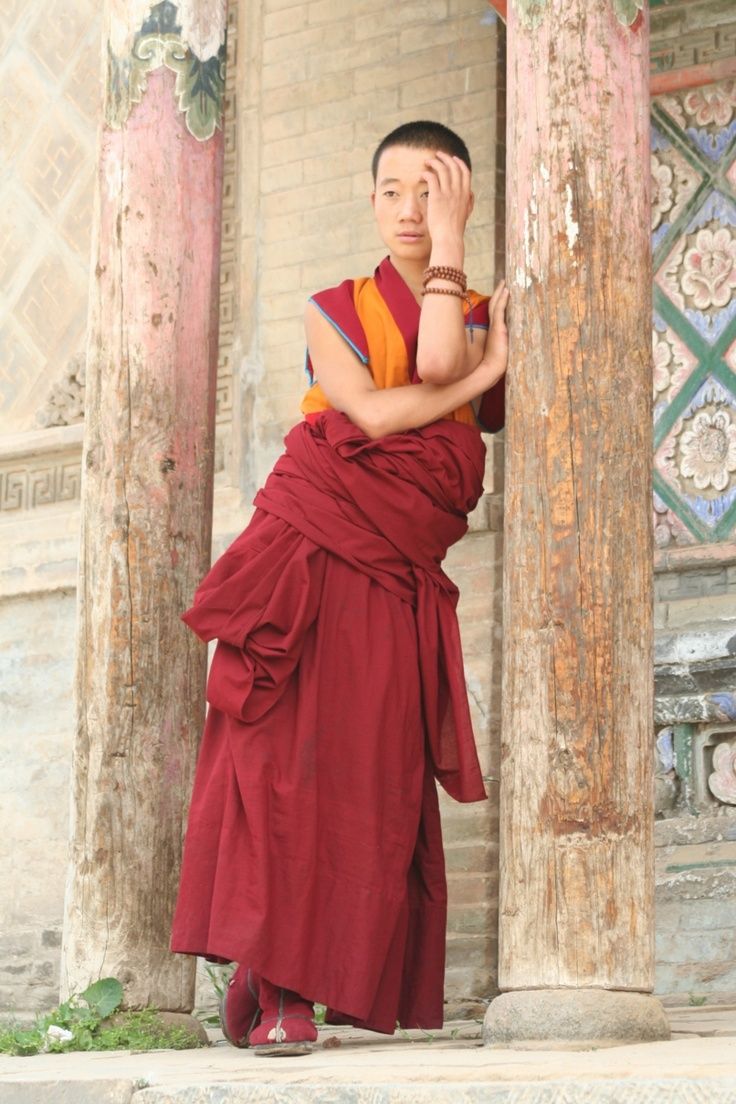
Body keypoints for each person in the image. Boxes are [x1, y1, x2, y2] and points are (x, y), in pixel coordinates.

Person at [170, 119, 510, 1057]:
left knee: (370, 777)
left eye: (433, 190)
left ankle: (317, 979)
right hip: (313, 562)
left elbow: (431, 369)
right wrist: (486, 372)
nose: (411, 207)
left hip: (396, 577)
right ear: (370, 201)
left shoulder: (480, 307)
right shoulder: (333, 307)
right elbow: (374, 409)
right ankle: (277, 989)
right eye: (395, 189)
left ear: (463, 201)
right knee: (284, 766)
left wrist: (453, 268)